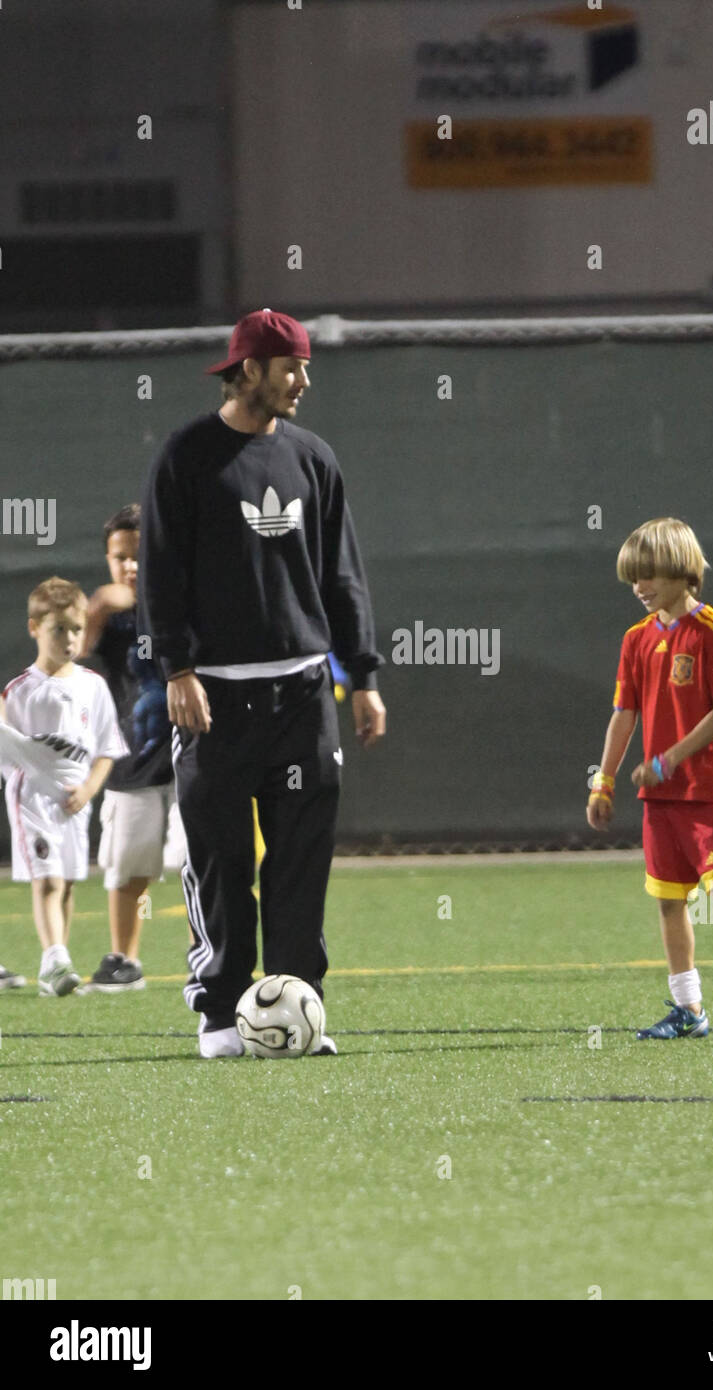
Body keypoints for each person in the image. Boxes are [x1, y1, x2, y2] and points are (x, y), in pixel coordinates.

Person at [139, 308, 386, 1059]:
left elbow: (341, 575)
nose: (303, 381)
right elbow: (161, 574)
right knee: (220, 861)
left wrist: (364, 676)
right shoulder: (186, 456)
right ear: (248, 369)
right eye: (291, 367)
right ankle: (219, 1015)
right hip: (212, 694)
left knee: (301, 860)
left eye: (305, 366)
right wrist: (176, 669)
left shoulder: (313, 458)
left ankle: (296, 1007)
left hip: (303, 693)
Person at [587, 517, 713, 1040]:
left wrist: (669, 758)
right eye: (632, 580)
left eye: (648, 576)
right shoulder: (636, 640)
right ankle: (689, 1009)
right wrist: (603, 780)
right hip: (660, 797)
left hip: (711, 791)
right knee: (669, 899)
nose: (639, 589)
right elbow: (624, 713)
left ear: (682, 571)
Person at [0, 578, 128, 995]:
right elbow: (9, 749)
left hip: (76, 800)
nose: (70, 639)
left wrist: (91, 788)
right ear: (35, 627)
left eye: (76, 629)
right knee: (48, 880)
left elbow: (107, 747)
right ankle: (56, 959)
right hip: (33, 795)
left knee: (67, 881)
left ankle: (52, 964)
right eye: (59, 629)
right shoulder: (19, 692)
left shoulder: (93, 686)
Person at [79, 504, 186, 992]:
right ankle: (125, 959)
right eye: (121, 557)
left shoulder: (188, 599)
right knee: (127, 864)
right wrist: (98, 608)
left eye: (141, 556)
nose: (131, 567)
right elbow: (70, 656)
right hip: (132, 759)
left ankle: (207, 953)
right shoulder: (108, 613)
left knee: (201, 862)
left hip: (194, 756)